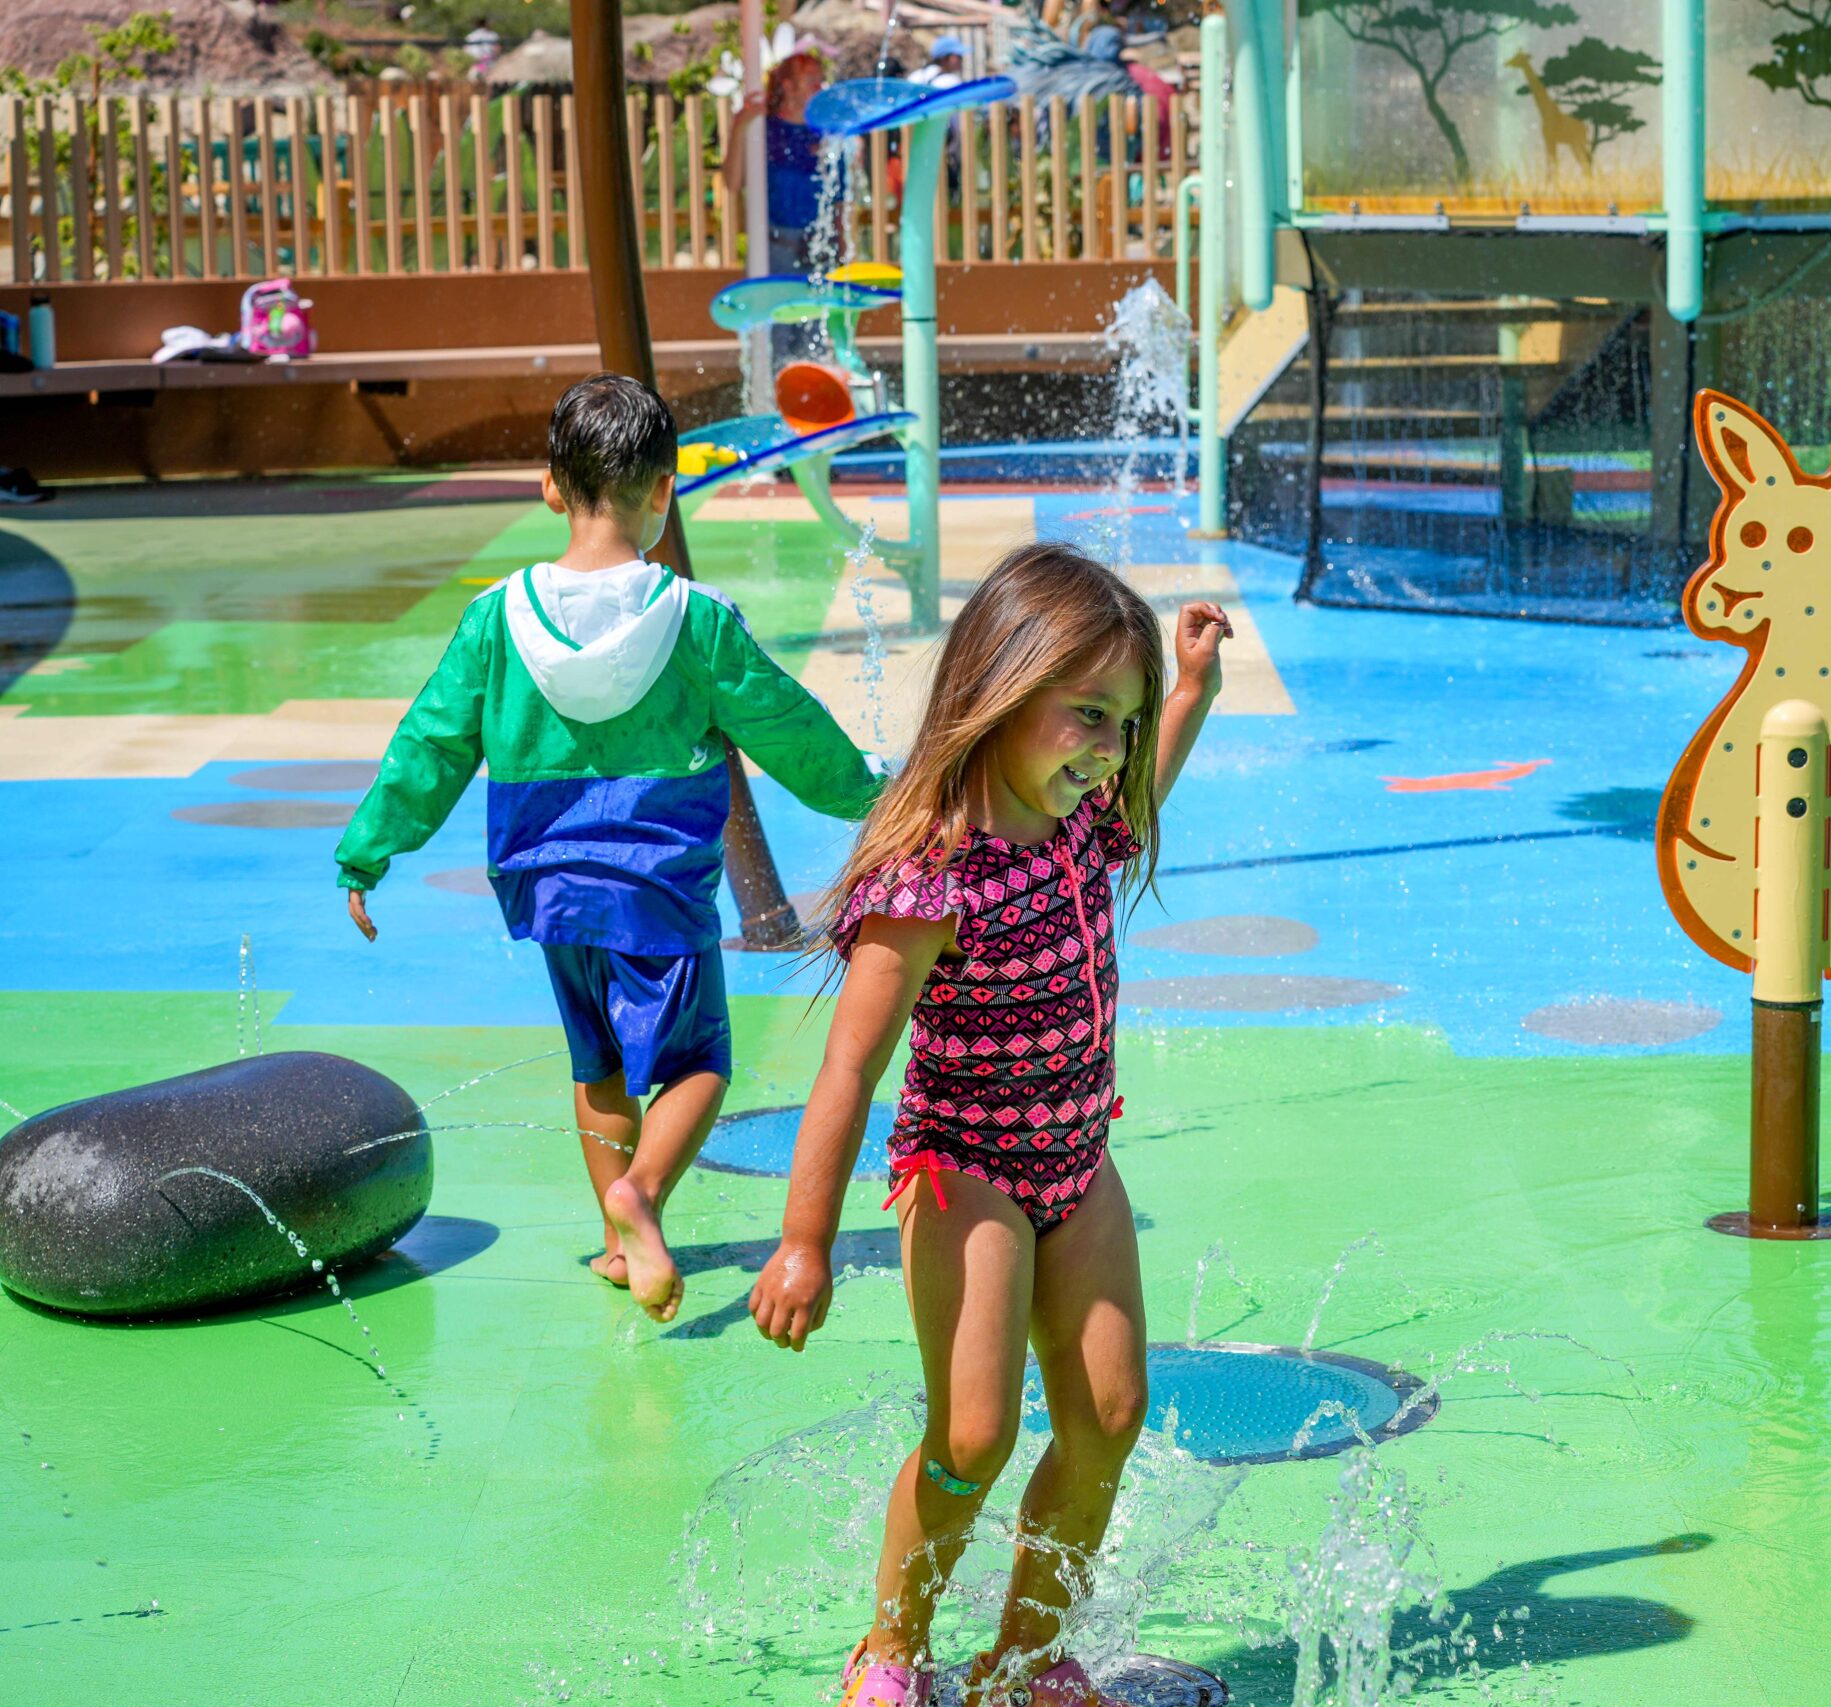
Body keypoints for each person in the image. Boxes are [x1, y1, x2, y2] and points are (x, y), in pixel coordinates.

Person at [747, 545, 1230, 1707]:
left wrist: (1191, 699)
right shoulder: (930, 877)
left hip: (1077, 1161)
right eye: (1086, 718)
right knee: (972, 1436)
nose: (1109, 751)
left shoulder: (1076, 825)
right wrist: (805, 1240)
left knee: (1109, 1416)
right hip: (965, 1170)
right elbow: (850, 1065)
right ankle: (890, 1653)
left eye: (1121, 722)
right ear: (1003, 694)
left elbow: (1145, 787)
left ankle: (1022, 1661)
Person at [335, 375, 879, 1323]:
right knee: (701, 1059)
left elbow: (430, 741)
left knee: (597, 1065)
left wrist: (367, 850)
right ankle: (641, 1199)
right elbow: (790, 729)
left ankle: (621, 1242)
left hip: (546, 890)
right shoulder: (694, 621)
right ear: (664, 491)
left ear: (551, 487)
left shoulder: (494, 619)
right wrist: (878, 794)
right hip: (656, 890)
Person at [722, 46, 837, 275]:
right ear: (788, 86)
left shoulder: (826, 135)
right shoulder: (764, 131)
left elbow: (839, 202)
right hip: (776, 250)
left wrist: (842, 253)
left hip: (821, 248)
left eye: (821, 80)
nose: (819, 87)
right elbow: (732, 183)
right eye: (811, 80)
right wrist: (739, 126)